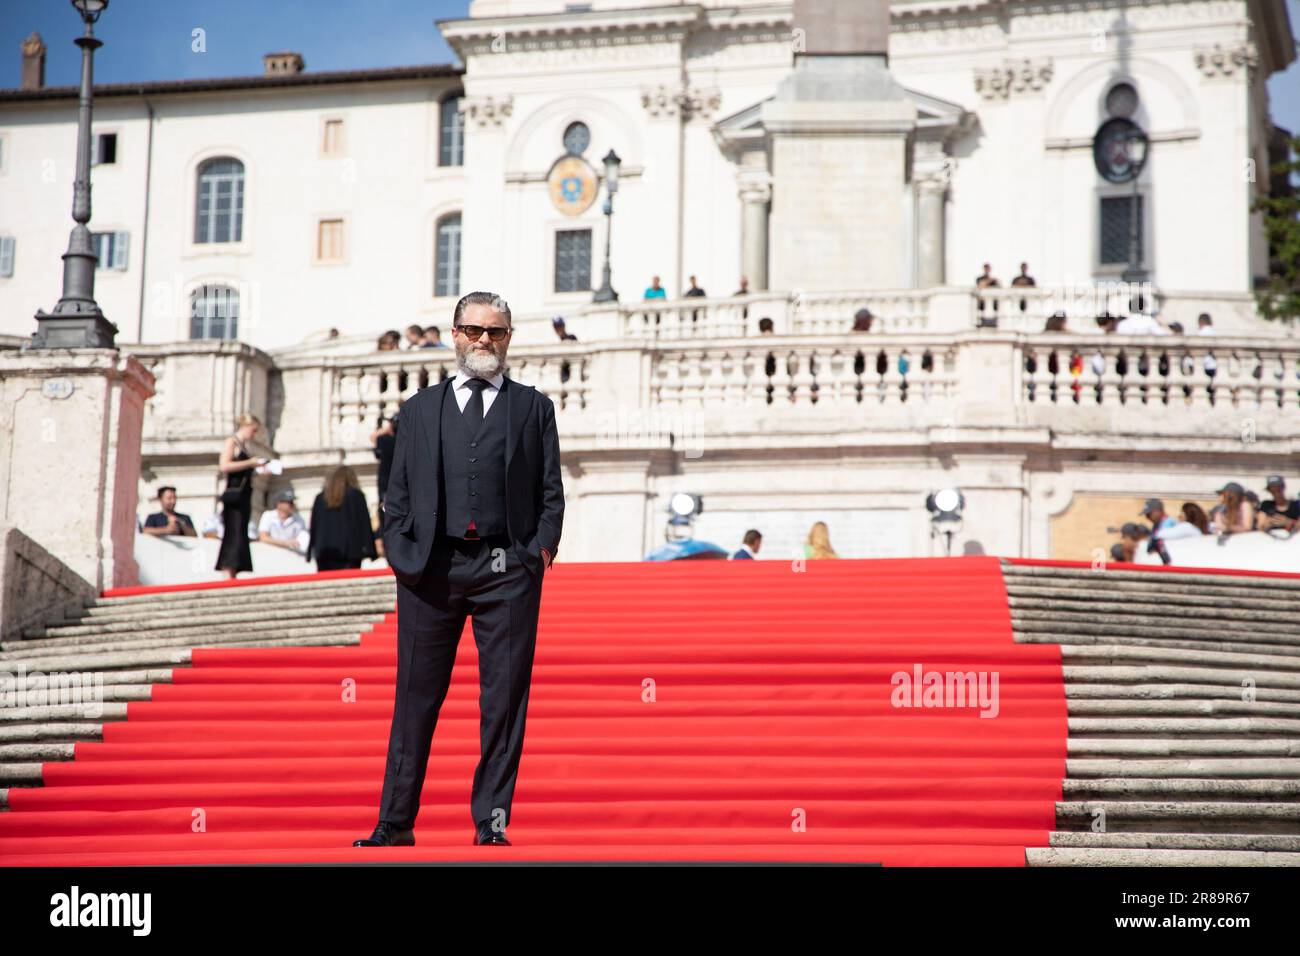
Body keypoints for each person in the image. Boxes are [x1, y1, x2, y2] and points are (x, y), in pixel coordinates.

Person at [355, 290, 564, 850]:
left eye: (495, 332)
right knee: (415, 698)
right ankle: (394, 823)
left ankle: (491, 825)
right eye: (474, 330)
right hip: (431, 569)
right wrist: (400, 550)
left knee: (503, 702)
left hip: (508, 570)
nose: (483, 341)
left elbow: (551, 494)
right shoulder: (420, 410)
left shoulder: (533, 408)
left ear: (508, 339)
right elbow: (396, 491)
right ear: (455, 334)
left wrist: (539, 552)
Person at [215, 414, 268, 579]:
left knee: (241, 532)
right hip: (234, 497)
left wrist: (257, 470)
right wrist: (250, 463)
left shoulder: (245, 447)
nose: (254, 434)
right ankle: (228, 571)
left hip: (244, 496)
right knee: (233, 532)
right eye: (253, 430)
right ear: (245, 426)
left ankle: (235, 571)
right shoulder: (232, 442)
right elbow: (224, 465)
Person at [307, 466, 377, 571]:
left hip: (324, 552)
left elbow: (314, 526)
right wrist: (371, 550)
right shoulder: (356, 495)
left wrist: (310, 551)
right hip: (351, 552)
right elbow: (364, 524)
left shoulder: (320, 498)